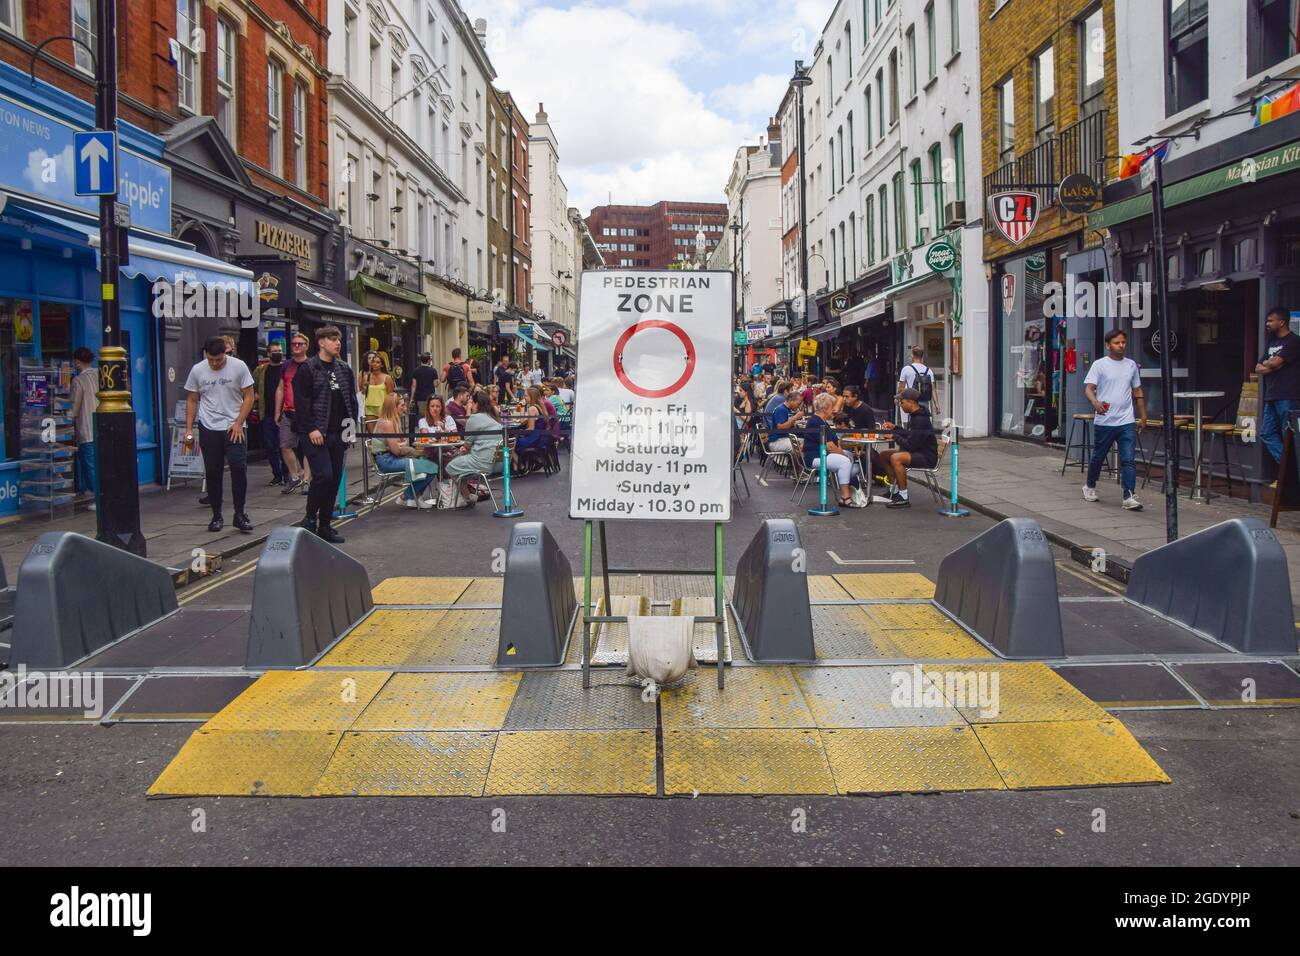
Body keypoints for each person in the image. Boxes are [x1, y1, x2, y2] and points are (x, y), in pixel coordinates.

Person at [293, 325, 360, 543]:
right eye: (332, 339)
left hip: (338, 432)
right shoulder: (308, 368)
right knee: (323, 475)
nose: (337, 343)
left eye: (338, 339)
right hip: (315, 432)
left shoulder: (343, 368)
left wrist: (350, 430)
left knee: (334, 479)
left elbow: (350, 400)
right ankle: (310, 518)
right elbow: (302, 403)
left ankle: (325, 525)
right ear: (321, 342)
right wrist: (312, 427)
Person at [183, 336, 255, 532]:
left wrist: (239, 422)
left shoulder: (239, 367)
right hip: (208, 426)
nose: (215, 363)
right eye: (211, 359)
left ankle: (239, 514)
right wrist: (189, 429)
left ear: (226, 353)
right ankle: (216, 515)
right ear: (206, 354)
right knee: (213, 472)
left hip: (234, 426)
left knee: (238, 468)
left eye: (219, 359)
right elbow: (191, 399)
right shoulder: (198, 370)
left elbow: (249, 396)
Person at [1083, 328, 1146, 510]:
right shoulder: (1100, 365)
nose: (1121, 346)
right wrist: (1095, 402)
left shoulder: (1131, 365)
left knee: (1128, 459)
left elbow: (1137, 390)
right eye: (1117, 343)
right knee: (1099, 457)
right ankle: (1089, 485)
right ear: (1107, 345)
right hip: (1105, 421)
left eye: (1123, 342)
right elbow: (1088, 388)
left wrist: (1143, 415)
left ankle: (1128, 496)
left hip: (1126, 420)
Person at [370, 393, 438, 509]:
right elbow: (396, 450)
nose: (405, 408)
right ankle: (406, 497)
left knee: (427, 463)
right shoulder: (388, 424)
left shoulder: (389, 421)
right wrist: (400, 446)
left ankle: (416, 497)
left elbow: (398, 444)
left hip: (387, 457)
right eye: (402, 405)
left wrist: (399, 445)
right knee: (432, 467)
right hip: (387, 461)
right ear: (393, 407)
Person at [878, 388, 938, 509]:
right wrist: (895, 428)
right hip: (918, 451)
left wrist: (894, 436)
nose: (900, 405)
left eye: (902, 402)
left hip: (926, 456)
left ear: (911, 402)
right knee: (884, 455)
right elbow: (909, 435)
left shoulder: (920, 419)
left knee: (896, 458)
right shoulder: (915, 415)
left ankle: (903, 497)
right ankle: (893, 491)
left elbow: (911, 445)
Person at [1257, 306, 1299, 475]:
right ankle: (1290, 470)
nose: (1267, 323)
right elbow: (1258, 367)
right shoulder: (1271, 342)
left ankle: (1291, 473)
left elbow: (1272, 364)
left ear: (1282, 322)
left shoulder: (1293, 341)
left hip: (1288, 394)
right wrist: (1273, 364)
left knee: (1288, 435)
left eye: (1271, 320)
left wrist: (1272, 364)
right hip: (1271, 394)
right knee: (1266, 433)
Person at [444, 389, 504, 505]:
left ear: (476, 404)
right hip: (499, 462)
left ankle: (467, 497)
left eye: (471, 402)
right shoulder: (494, 418)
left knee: (450, 467)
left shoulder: (474, 418)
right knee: (461, 465)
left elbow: (467, 444)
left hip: (483, 463)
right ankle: (469, 495)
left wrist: (465, 448)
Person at [803, 392, 863, 508]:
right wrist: (842, 454)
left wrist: (842, 452)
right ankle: (845, 497)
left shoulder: (822, 421)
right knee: (845, 461)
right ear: (825, 409)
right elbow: (829, 446)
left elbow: (835, 442)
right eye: (832, 407)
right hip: (815, 457)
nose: (834, 410)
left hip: (822, 454)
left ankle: (851, 486)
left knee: (849, 455)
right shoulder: (816, 422)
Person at [274, 332, 312, 494]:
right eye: (294, 344)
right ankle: (295, 477)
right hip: (288, 412)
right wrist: (277, 410)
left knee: (307, 447)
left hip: (307, 413)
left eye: (300, 344)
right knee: (285, 445)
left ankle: (307, 480)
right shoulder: (286, 366)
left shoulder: (312, 365)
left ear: (307, 346)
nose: (296, 346)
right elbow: (281, 388)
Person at [254, 341, 287, 486]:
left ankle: (287, 474)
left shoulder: (286, 368)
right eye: (274, 351)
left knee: (284, 445)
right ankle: (277, 475)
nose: (278, 353)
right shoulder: (260, 371)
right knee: (270, 445)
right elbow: (251, 388)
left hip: (284, 414)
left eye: (279, 351)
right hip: (266, 413)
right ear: (268, 354)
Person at [70, 347, 98, 503]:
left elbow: (74, 408)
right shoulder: (101, 375)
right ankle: (103, 496)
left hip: (87, 430)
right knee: (102, 464)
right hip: (103, 429)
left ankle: (97, 498)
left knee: (90, 466)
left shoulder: (78, 380)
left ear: (77, 362)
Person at [409, 353, 439, 440]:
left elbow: (414, 385)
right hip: (430, 397)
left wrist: (412, 398)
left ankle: (423, 435)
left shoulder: (416, 371)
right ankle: (431, 434)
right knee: (431, 415)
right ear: (429, 360)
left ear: (420, 360)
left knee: (422, 417)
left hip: (420, 397)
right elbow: (435, 384)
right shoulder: (433, 371)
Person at [898, 346, 934, 410]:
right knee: (924, 417)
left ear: (912, 355)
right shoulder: (929, 370)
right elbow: (933, 389)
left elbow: (901, 387)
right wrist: (936, 404)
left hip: (911, 402)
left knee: (912, 418)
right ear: (922, 356)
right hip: (924, 400)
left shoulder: (906, 369)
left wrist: (898, 399)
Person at [362, 352, 394, 423]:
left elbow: (390, 396)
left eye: (378, 362)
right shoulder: (366, 377)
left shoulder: (387, 378)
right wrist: (365, 387)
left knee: (382, 432)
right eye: (373, 362)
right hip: (369, 407)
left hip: (383, 408)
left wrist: (390, 411)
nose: (375, 364)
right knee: (372, 433)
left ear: (382, 365)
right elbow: (363, 393)